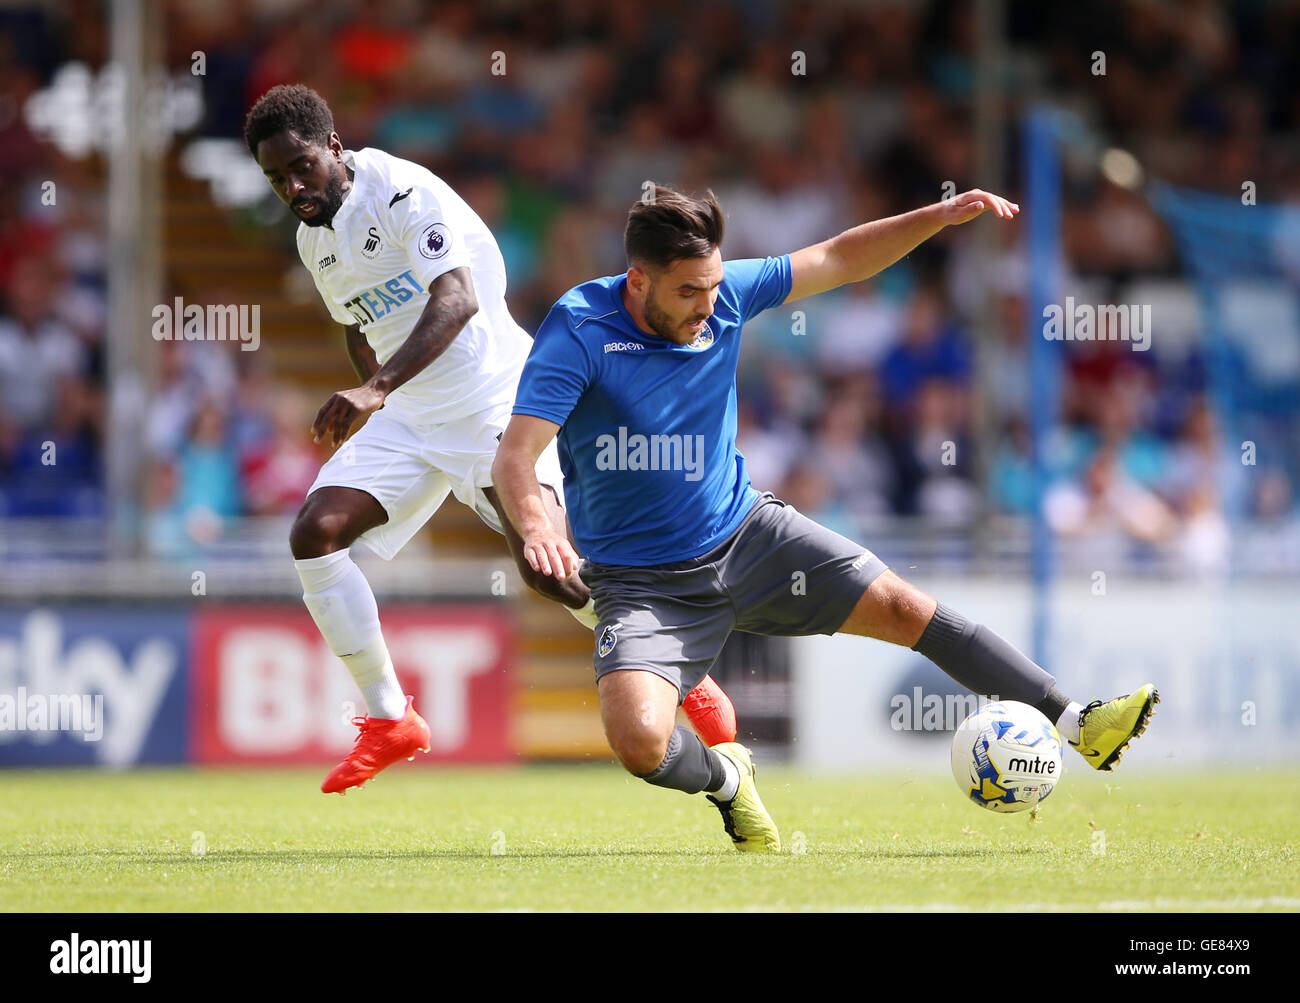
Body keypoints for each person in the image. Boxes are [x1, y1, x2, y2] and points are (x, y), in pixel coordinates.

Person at [491, 184, 1159, 852]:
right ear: (638, 280)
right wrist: (540, 525)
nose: (710, 305)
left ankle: (1079, 721)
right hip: (641, 583)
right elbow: (516, 455)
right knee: (640, 743)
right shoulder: (580, 327)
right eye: (689, 292)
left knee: (904, 605)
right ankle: (728, 778)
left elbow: (841, 257)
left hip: (747, 536)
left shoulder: (725, 295)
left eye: (716, 285)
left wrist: (935, 216)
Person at [243, 87, 736, 794]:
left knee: (549, 570)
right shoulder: (311, 237)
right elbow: (358, 325)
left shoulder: (402, 192)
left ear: (334, 147)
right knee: (315, 534)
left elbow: (457, 298)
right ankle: (391, 719)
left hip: (494, 401)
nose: (293, 187)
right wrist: (380, 399)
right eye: (275, 178)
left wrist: (375, 387)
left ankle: (681, 669)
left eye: (301, 166)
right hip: (413, 415)